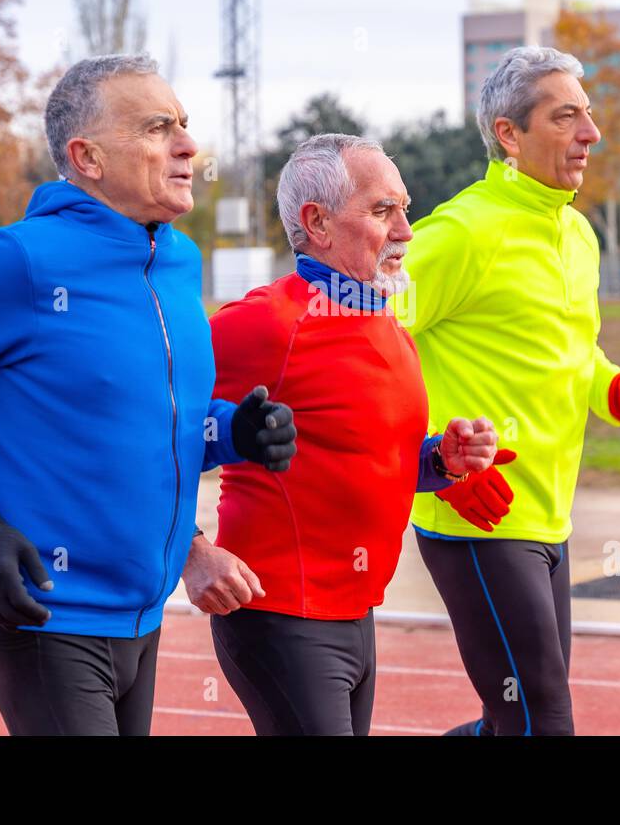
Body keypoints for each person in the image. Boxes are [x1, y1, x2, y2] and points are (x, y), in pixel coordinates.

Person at [0, 54, 297, 735]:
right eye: (157, 129)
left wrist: (231, 432)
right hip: (45, 609)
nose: (187, 145)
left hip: (142, 612)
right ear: (86, 157)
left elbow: (142, 418)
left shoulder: (177, 261)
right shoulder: (17, 260)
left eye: (184, 124)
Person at [393, 46, 620, 736]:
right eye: (566, 116)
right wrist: (433, 467)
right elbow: (361, 345)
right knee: (541, 721)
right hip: (478, 518)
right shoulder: (461, 232)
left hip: (548, 517)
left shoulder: (577, 235)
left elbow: (573, 357)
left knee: (516, 722)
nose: (590, 133)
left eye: (588, 115)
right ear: (509, 135)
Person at [182, 133, 504, 735]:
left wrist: (442, 461)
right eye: (383, 211)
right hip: (279, 616)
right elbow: (140, 439)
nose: (407, 230)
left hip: (357, 614)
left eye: (404, 208)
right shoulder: (262, 323)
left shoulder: (389, 325)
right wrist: (189, 550)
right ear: (318, 223)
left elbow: (371, 461)